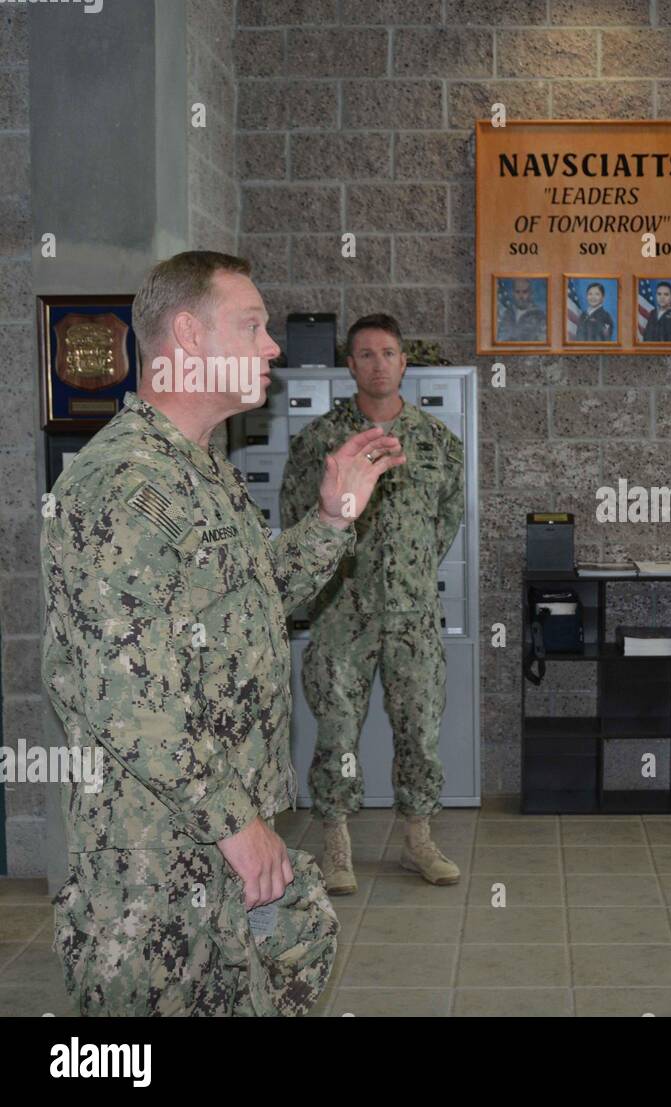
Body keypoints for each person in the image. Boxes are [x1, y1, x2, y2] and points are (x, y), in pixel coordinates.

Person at [41, 251, 403, 1016]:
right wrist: (236, 822)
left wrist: (334, 518)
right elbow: (127, 699)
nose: (273, 346)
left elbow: (255, 600)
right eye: (253, 325)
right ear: (187, 334)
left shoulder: (198, 470)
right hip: (156, 870)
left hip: (211, 844)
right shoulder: (124, 483)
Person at [279, 313, 465, 895]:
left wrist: (407, 576)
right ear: (350, 365)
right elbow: (295, 518)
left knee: (421, 732)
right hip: (342, 614)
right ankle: (336, 844)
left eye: (388, 352)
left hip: (412, 615)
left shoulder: (437, 442)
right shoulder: (320, 441)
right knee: (335, 733)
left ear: (404, 362)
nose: (378, 363)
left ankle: (418, 839)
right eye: (365, 354)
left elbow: (446, 521)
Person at [499, 278, 546, 342]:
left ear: (531, 294)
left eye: (524, 292)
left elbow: (543, 342)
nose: (521, 296)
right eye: (517, 292)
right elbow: (500, 338)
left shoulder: (539, 316)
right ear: (513, 293)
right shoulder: (507, 314)